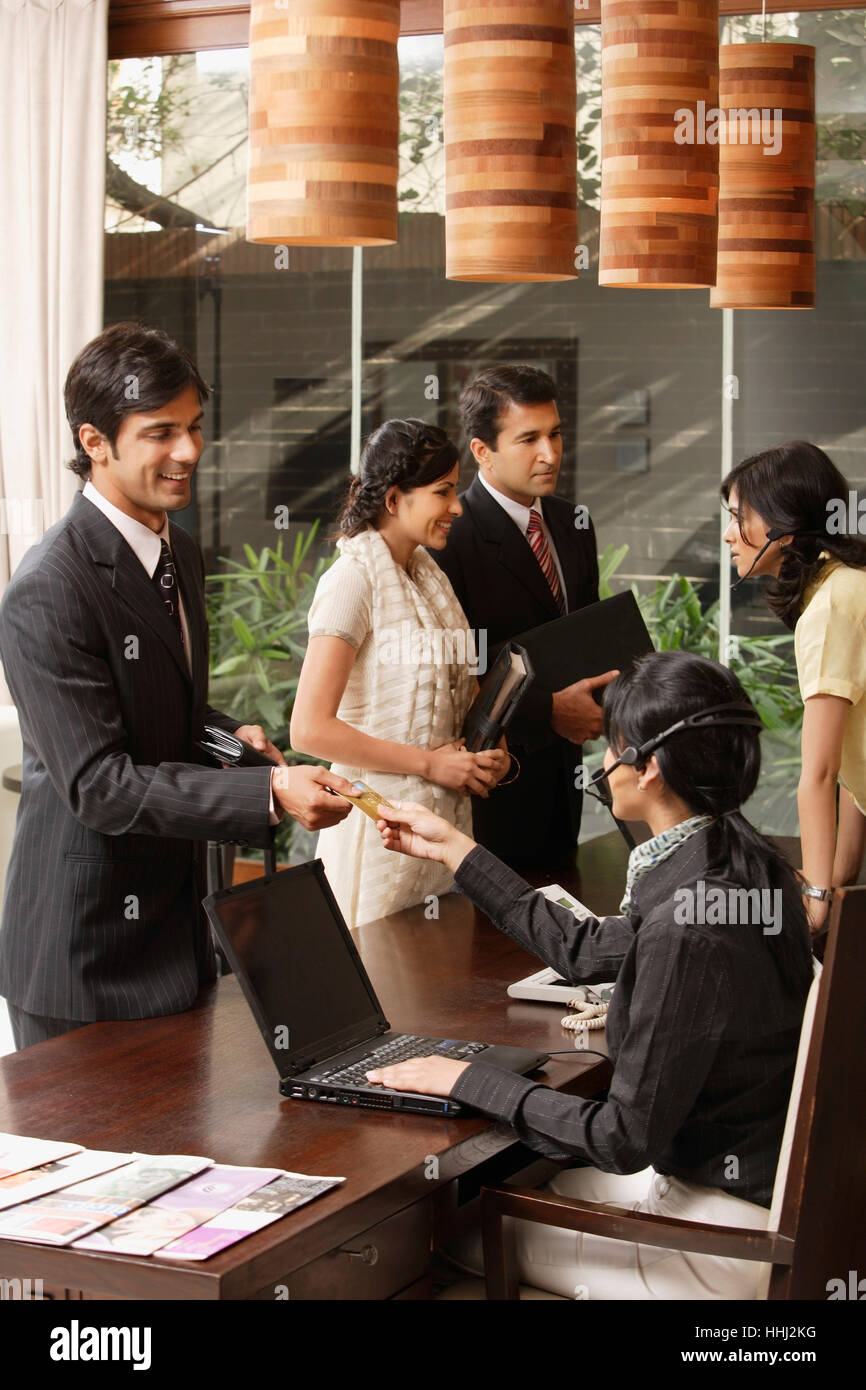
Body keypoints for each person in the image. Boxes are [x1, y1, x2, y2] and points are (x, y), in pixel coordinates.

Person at [367, 651, 813, 1299]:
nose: (603, 765)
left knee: (453, 1247)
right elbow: (583, 950)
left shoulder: (685, 926)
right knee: (523, 1187)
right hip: (764, 1189)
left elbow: (623, 1138)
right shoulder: (743, 863)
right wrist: (453, 848)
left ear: (650, 766)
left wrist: (471, 1080)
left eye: (612, 748)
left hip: (725, 1237)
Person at [0, 323, 353, 1050]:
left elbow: (177, 712)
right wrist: (266, 795)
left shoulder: (178, 551)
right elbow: (99, 783)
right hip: (84, 953)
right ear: (95, 441)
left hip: (177, 933)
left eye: (193, 428)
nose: (188, 452)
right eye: (161, 432)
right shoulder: (48, 588)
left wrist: (240, 745)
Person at [290, 418, 508, 928]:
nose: (457, 506)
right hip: (377, 837)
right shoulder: (351, 580)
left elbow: (457, 701)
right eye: (443, 492)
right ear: (393, 500)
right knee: (393, 996)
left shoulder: (429, 575)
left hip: (443, 835)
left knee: (443, 998)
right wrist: (431, 766)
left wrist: (485, 756)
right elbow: (309, 728)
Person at [430, 364, 616, 869]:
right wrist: (547, 708)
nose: (550, 454)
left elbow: (585, 635)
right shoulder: (450, 537)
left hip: (566, 771)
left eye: (555, 434)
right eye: (529, 438)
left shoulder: (572, 523)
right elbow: (451, 669)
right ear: (482, 451)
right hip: (495, 775)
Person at [722, 441, 866, 932]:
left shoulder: (829, 609)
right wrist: (840, 873)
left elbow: (820, 772)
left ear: (781, 526)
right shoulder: (848, 582)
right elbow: (852, 763)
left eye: (738, 517)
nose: (728, 535)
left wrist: (818, 897)